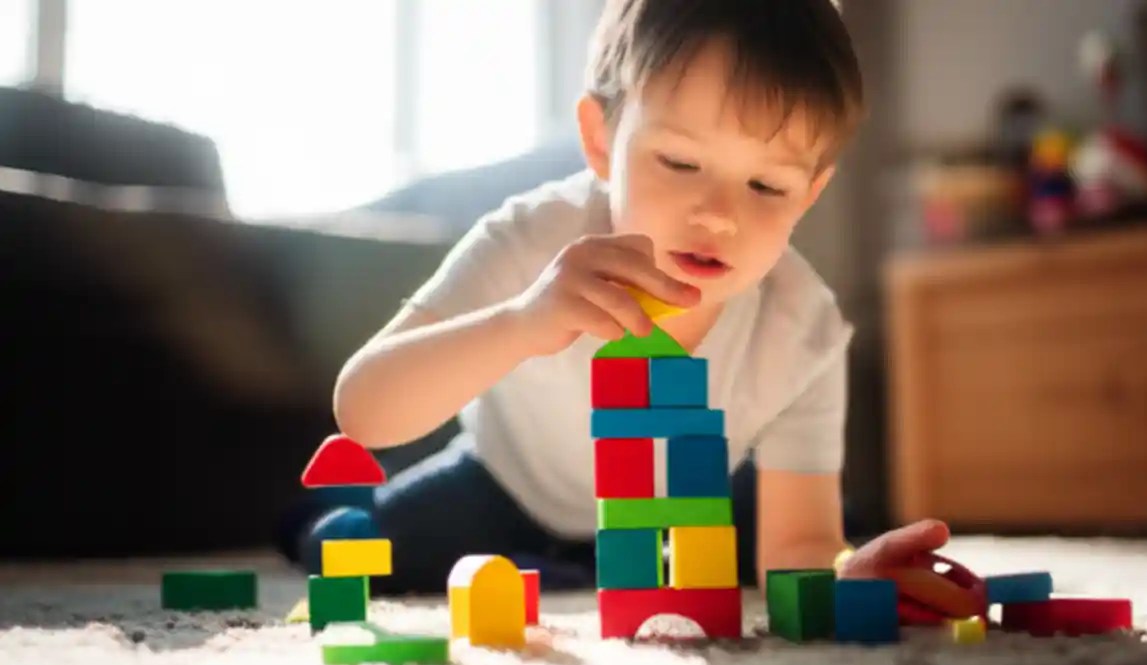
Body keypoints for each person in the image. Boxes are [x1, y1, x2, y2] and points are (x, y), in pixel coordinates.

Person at [283, 0, 952, 595]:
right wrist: (522, 323)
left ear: (808, 194)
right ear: (602, 142)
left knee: (838, 533)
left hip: (692, 509)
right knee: (347, 553)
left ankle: (582, 568)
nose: (719, 216)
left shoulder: (803, 326)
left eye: (766, 187)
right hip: (510, 489)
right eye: (682, 163)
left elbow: (797, 549)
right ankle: (350, 517)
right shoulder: (528, 237)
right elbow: (362, 410)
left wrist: (848, 580)